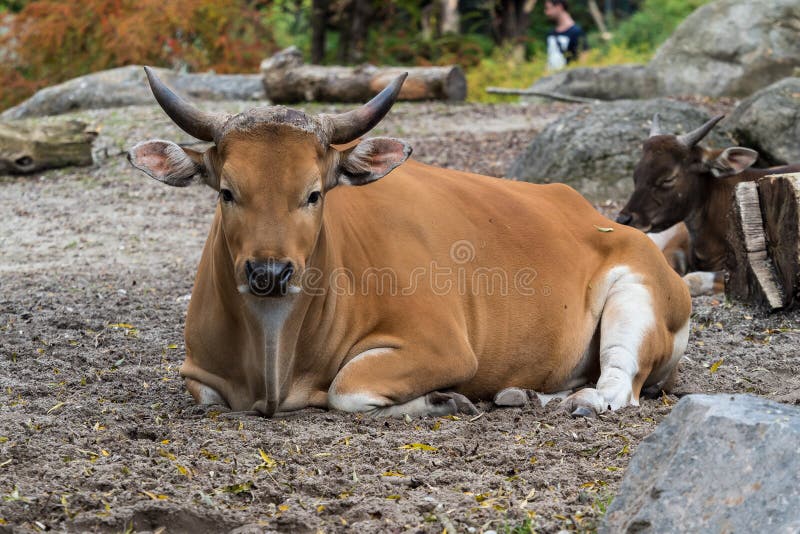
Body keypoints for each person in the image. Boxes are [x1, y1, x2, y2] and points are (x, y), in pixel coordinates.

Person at [544, 0, 586, 71]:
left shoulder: (576, 32)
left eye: (548, 8)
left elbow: (584, 58)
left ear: (559, 7)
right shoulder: (551, 33)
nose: (546, 12)